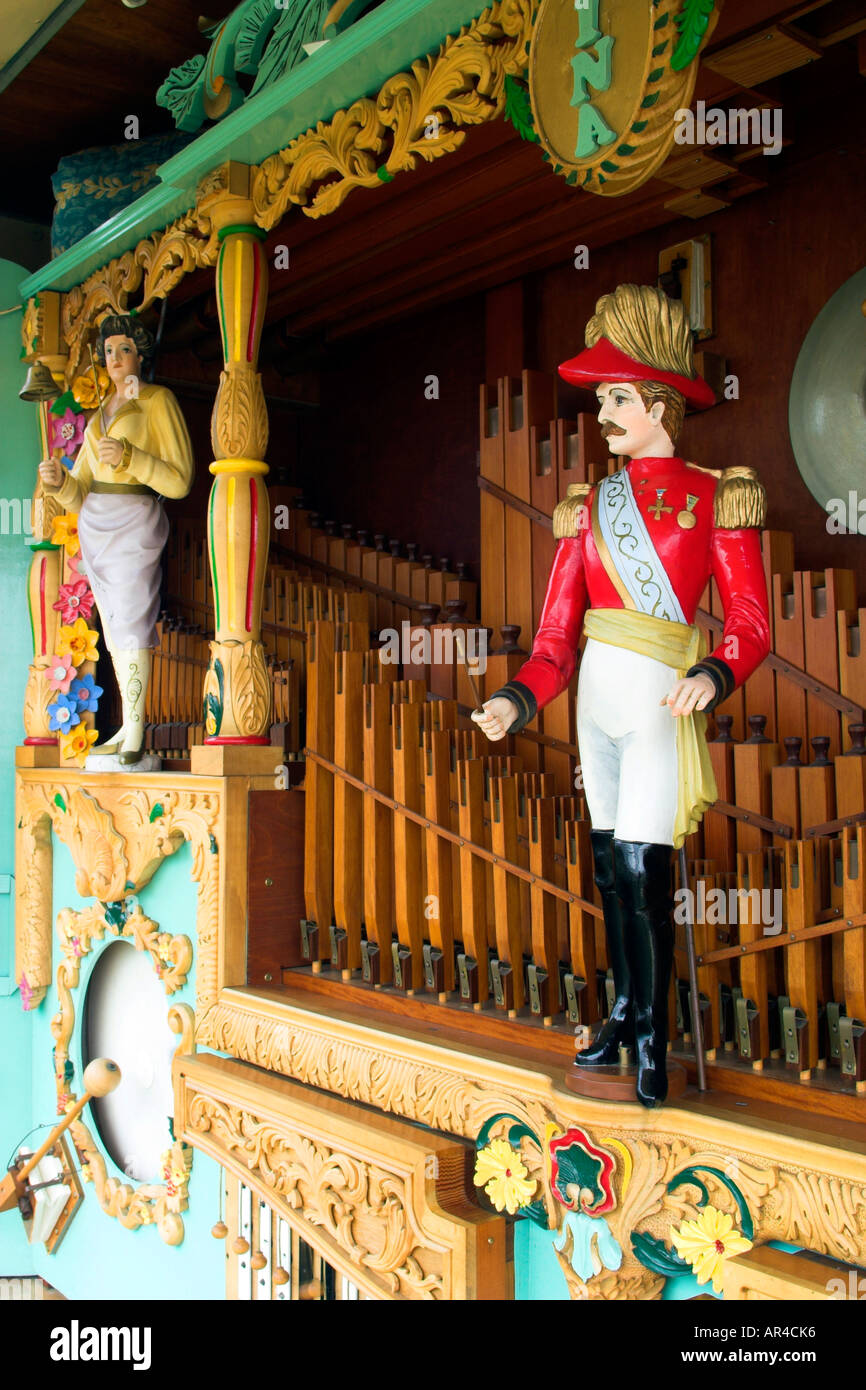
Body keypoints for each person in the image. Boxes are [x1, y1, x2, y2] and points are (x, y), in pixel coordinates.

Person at [471, 284, 771, 1107]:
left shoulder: (718, 497)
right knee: (609, 868)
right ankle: (628, 1007)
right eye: (601, 396)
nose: (603, 410)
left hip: (659, 703)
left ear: (660, 401)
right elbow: (554, 639)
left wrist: (715, 673)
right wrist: (517, 700)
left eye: (617, 396)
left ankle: (654, 1038)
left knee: (644, 868)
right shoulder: (587, 509)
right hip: (593, 705)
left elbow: (749, 618)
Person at [38, 314, 194, 767]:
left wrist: (132, 456)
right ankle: (127, 725)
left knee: (131, 623)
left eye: (123, 349)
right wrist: (58, 482)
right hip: (95, 523)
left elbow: (180, 479)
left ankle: (138, 729)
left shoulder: (156, 402)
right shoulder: (99, 412)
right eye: (108, 352)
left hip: (134, 521)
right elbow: (81, 487)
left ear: (140, 353)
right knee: (112, 631)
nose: (114, 359)